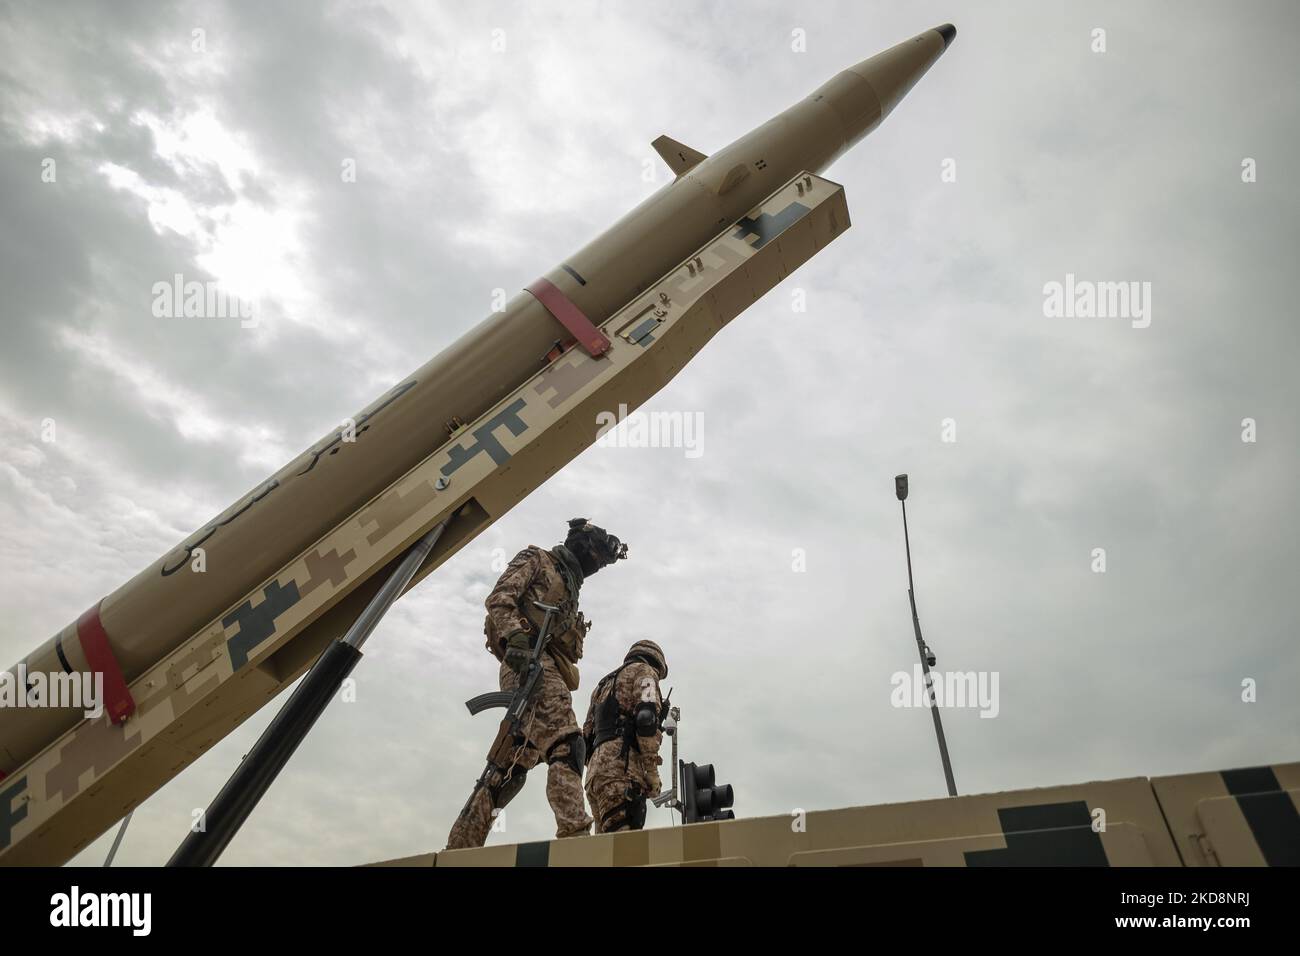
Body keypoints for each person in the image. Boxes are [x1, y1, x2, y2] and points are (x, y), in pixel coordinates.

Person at [444, 518, 627, 849]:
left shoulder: (570, 587)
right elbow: (500, 598)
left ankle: (462, 846)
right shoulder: (538, 560)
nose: (598, 565)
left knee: (509, 768)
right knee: (567, 744)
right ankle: (575, 835)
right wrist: (515, 637)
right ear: (584, 548)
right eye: (598, 557)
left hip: (542, 665)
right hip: (528, 665)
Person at [582, 640, 668, 834]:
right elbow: (646, 720)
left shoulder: (601, 686)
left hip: (595, 775)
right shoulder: (645, 672)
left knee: (605, 851)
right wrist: (651, 772)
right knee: (624, 848)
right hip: (621, 771)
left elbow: (585, 737)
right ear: (657, 664)